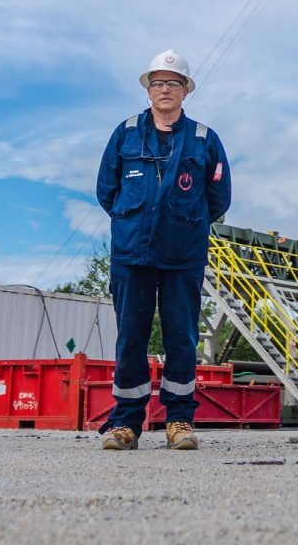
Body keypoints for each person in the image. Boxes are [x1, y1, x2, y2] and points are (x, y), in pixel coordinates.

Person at [95, 49, 231, 451]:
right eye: (158, 82)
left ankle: (179, 421)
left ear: (186, 90)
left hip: (183, 256)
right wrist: (130, 222)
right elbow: (107, 190)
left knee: (181, 338)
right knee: (131, 338)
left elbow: (218, 199)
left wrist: (183, 225)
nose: (165, 89)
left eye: (173, 82)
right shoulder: (126, 133)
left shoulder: (205, 139)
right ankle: (126, 424)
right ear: (149, 89)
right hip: (132, 255)